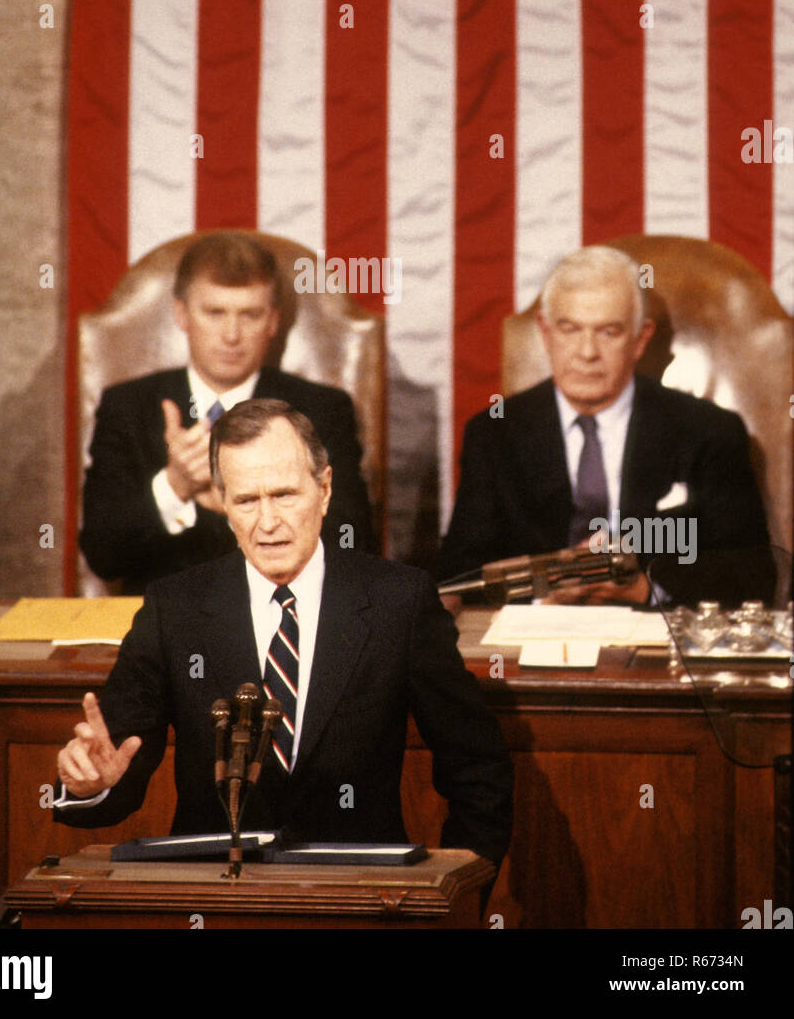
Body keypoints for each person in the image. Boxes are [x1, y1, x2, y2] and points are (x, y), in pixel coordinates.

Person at [56, 400, 513, 864]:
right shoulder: (175, 608)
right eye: (247, 501)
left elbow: (478, 768)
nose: (268, 523)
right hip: (216, 899)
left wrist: (458, 890)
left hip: (358, 900)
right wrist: (90, 783)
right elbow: (113, 765)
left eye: (284, 495)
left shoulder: (399, 601)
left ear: (325, 489)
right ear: (223, 503)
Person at [438, 246, 774, 606]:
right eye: (570, 329)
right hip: (531, 638)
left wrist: (648, 589)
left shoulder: (708, 431)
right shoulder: (494, 432)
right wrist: (538, 593)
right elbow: (459, 574)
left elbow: (753, 573)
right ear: (546, 332)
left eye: (608, 332)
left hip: (653, 636)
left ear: (640, 339)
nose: (587, 352)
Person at [80, 233, 374, 591]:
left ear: (273, 322)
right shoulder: (127, 407)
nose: (231, 335)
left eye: (250, 314)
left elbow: (354, 542)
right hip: (163, 624)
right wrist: (174, 487)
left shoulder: (322, 410)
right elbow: (101, 554)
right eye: (215, 313)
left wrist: (241, 503)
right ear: (182, 314)